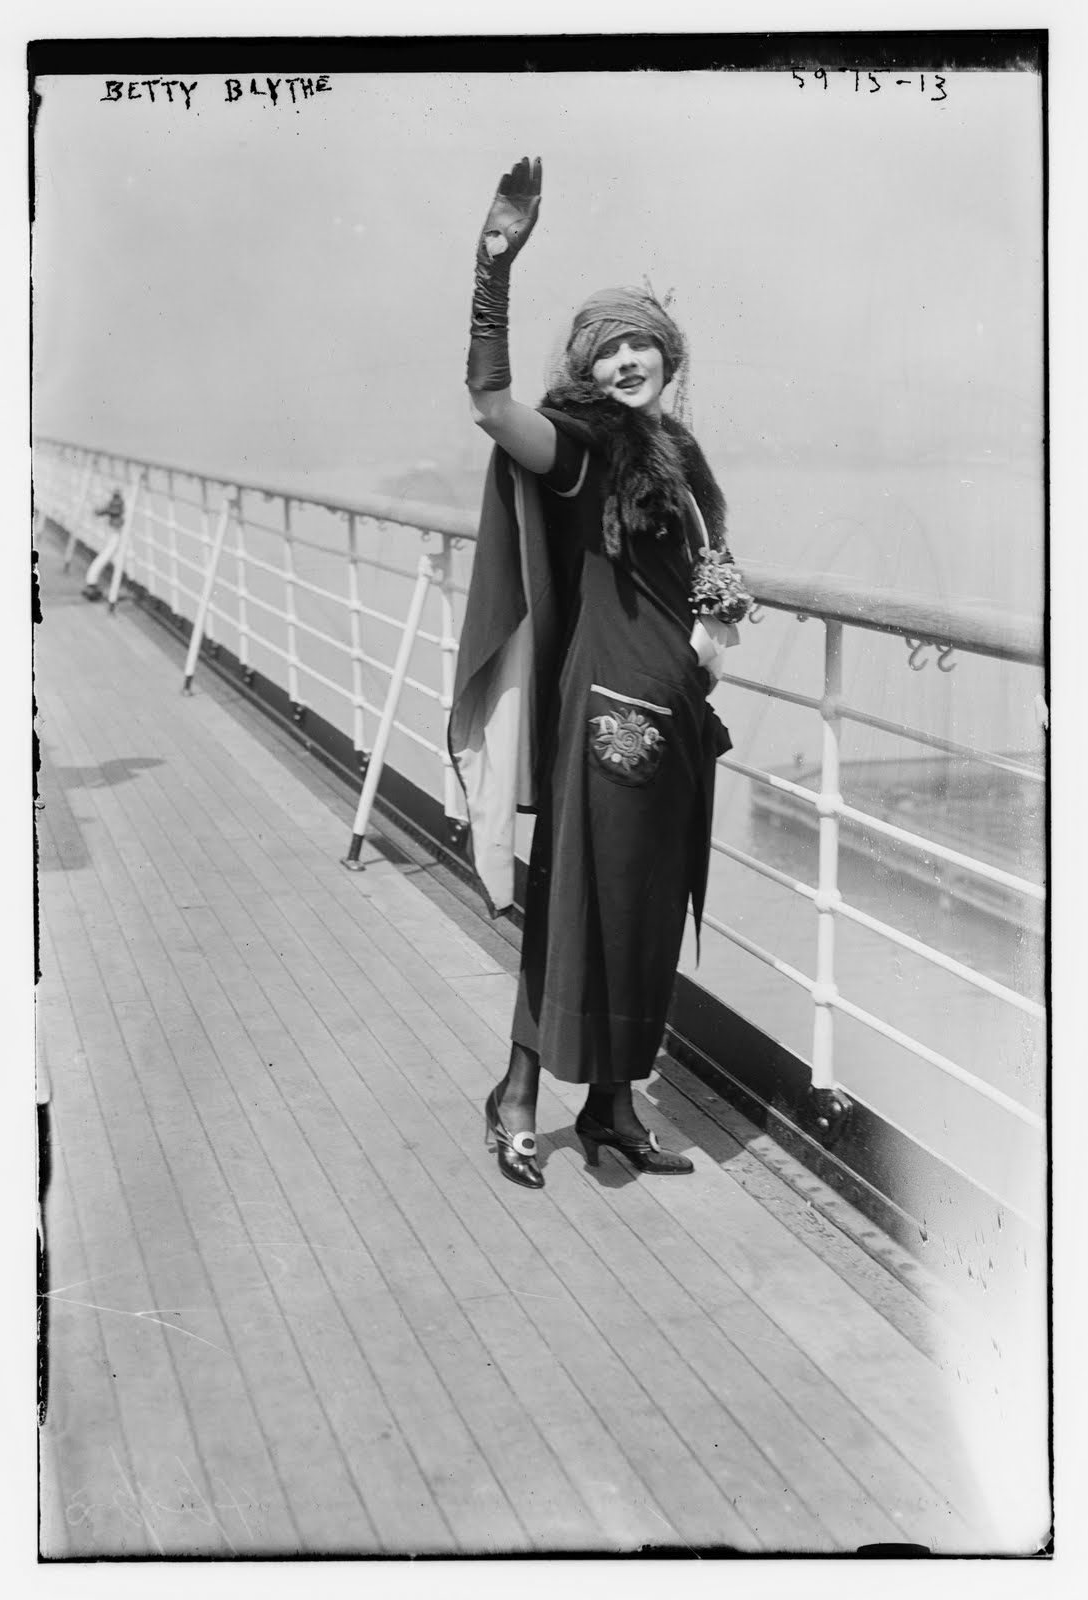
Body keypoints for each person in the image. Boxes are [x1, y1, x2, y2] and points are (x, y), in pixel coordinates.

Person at [449, 158, 750, 1191]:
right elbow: (491, 406)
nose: (627, 361)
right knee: (578, 904)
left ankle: (613, 1107)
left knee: (642, 906)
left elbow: (702, 567)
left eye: (642, 346)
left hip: (676, 711)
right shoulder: (583, 444)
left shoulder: (679, 452)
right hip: (611, 709)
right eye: (608, 348)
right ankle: (519, 1095)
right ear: (589, 363)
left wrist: (720, 613)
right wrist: (493, 265)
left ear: (666, 357)